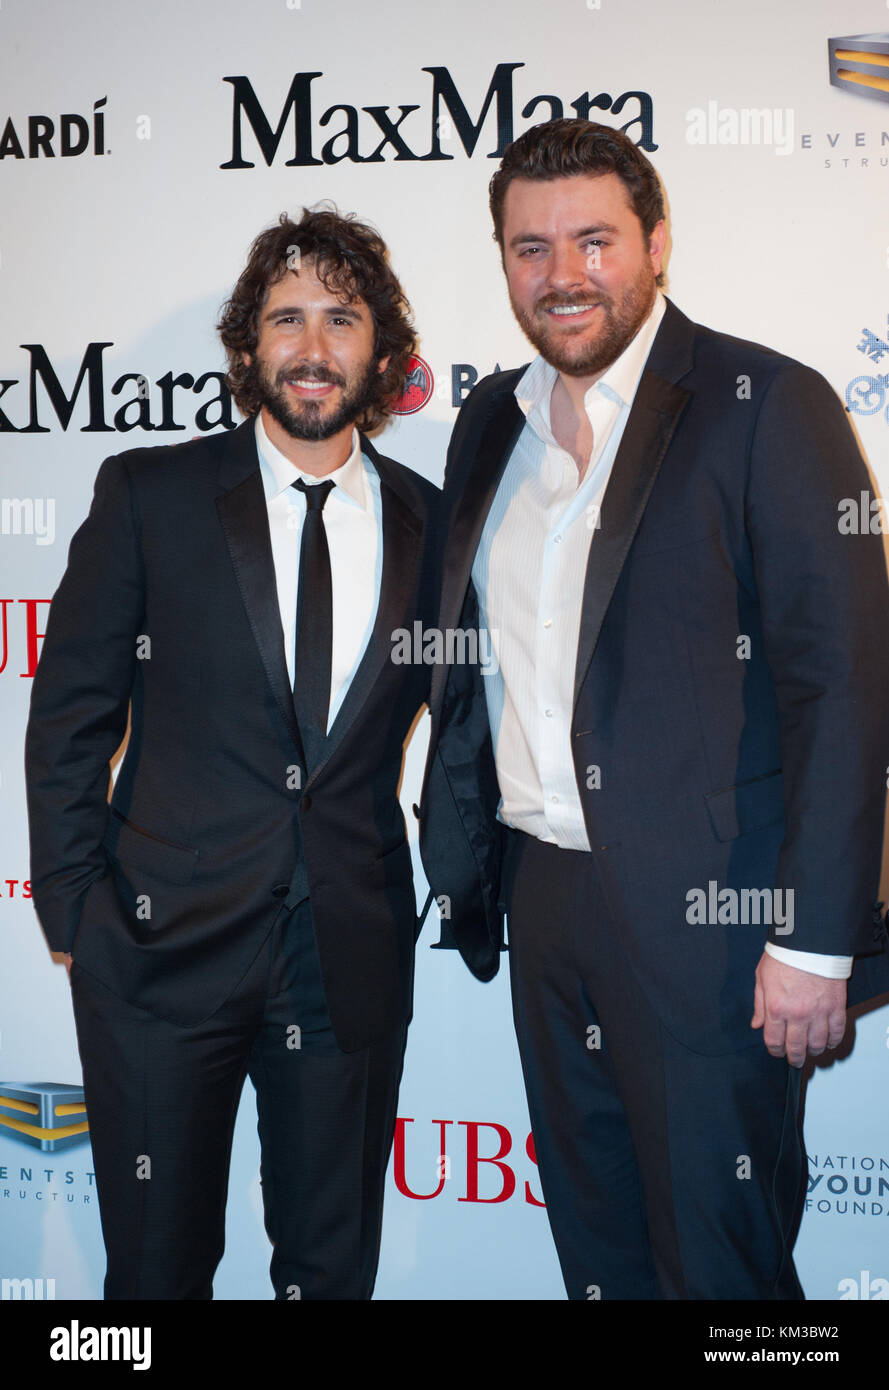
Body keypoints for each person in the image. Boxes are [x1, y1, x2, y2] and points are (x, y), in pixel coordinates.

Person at [418, 118, 889, 1300]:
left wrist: (813, 935)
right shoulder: (490, 426)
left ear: (656, 241)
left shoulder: (762, 404)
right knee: (599, 1252)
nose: (562, 274)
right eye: (530, 247)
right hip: (548, 901)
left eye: (593, 240)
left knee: (720, 1268)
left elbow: (842, 683)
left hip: (720, 918)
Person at [25, 206, 437, 1300]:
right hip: (158, 953)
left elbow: (475, 736)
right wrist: (75, 912)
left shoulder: (433, 526)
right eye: (285, 318)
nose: (312, 346)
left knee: (327, 1267)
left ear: (383, 352)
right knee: (154, 1274)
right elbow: (69, 712)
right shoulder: (150, 495)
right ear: (248, 348)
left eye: (341, 318)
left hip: (345, 956)